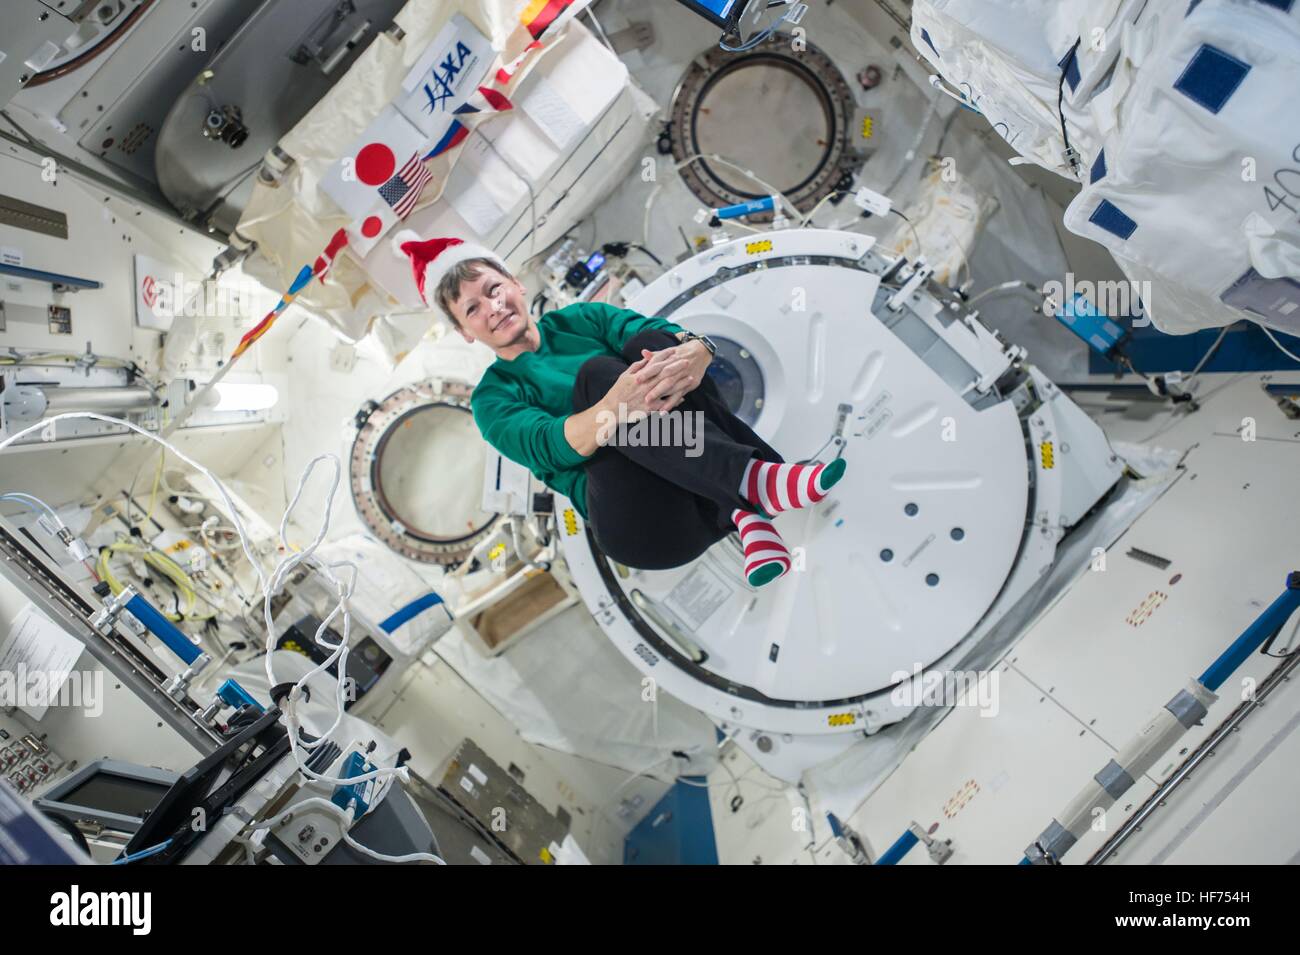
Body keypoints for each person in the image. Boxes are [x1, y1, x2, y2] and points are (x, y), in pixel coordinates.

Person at [393, 232, 846, 587]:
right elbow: (553, 445)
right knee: (597, 378)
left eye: (494, 289)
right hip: (648, 526)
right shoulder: (491, 399)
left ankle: (744, 512)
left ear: (515, 283)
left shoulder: (581, 319)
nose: (493, 307)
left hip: (698, 491)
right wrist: (613, 406)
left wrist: (699, 350)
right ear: (465, 331)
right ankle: (753, 480)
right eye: (473, 308)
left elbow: (656, 333)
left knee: (655, 345)